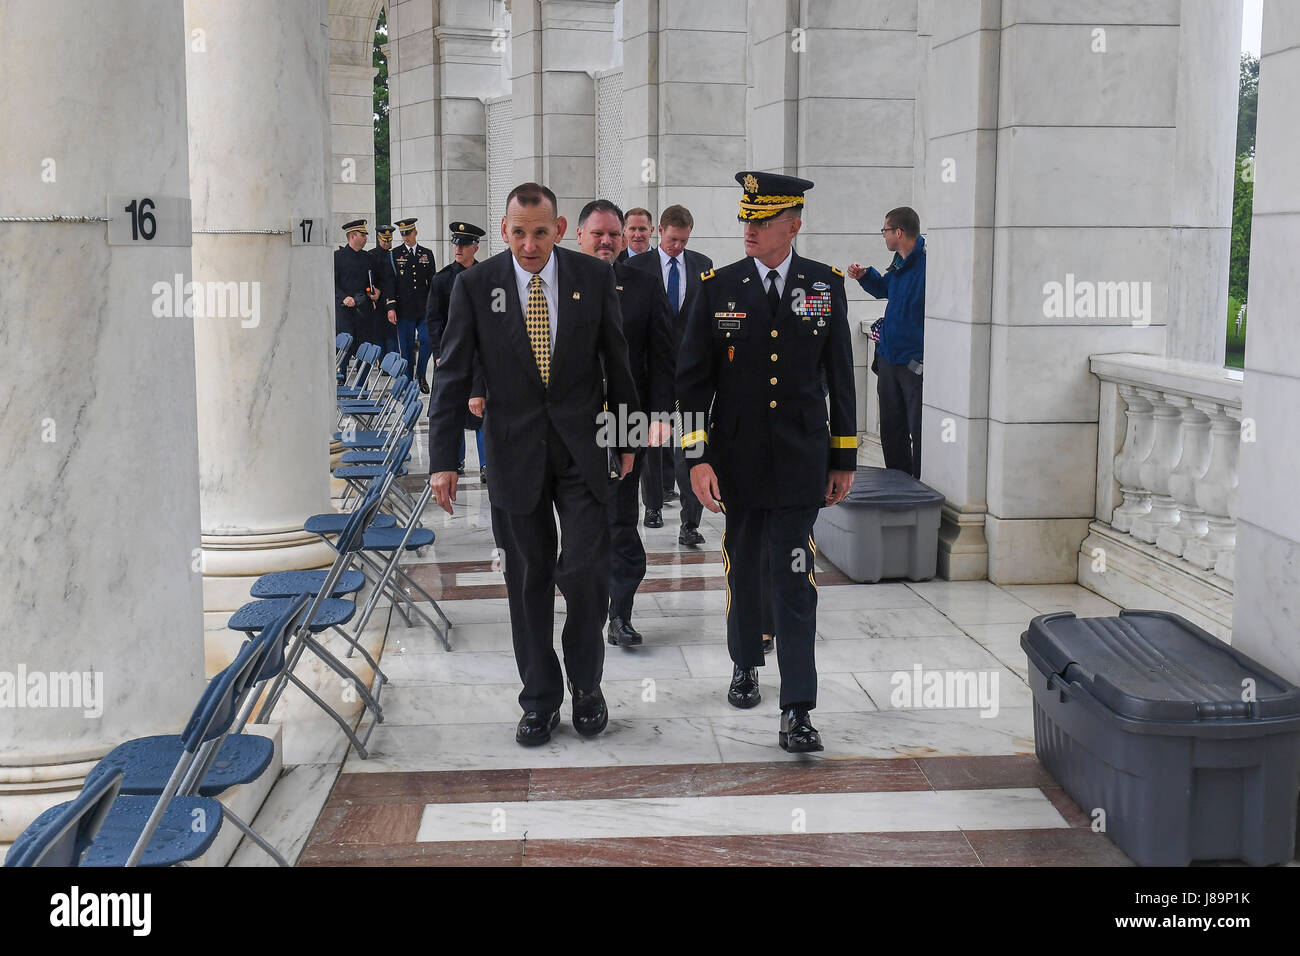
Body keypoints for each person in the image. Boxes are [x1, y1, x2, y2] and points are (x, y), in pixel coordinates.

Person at [428, 183, 640, 747]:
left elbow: (616, 361)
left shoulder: (593, 279)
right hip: (514, 453)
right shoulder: (477, 286)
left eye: (540, 232)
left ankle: (588, 688)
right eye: (518, 232)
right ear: (504, 230)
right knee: (528, 580)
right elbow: (450, 374)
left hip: (583, 449)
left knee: (589, 574)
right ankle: (540, 700)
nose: (528, 245)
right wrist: (444, 459)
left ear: (560, 229)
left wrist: (628, 435)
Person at [678, 171, 857, 753]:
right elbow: (692, 384)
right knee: (743, 562)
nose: (749, 229)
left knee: (795, 575)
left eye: (762, 220)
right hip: (736, 458)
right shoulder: (717, 286)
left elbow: (841, 379)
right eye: (746, 219)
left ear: (793, 224)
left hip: (802, 460)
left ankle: (799, 707)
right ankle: (745, 660)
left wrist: (843, 458)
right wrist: (697, 458)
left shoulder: (824, 285)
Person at [575, 199, 675, 649]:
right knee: (577, 525)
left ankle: (620, 613)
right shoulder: (554, 284)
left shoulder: (643, 284)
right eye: (598, 233)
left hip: (624, 424)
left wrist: (655, 420)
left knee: (621, 521)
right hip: (569, 426)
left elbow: (661, 359)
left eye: (614, 234)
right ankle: (582, 608)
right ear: (577, 235)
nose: (607, 241)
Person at [625, 204, 713, 546]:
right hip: (649, 375)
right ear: (660, 231)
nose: (678, 246)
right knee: (651, 443)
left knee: (692, 449)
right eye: (674, 239)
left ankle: (690, 523)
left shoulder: (702, 265)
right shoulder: (635, 266)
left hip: (691, 375)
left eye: (684, 241)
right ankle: (653, 505)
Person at [848, 207, 926, 478]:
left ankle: (918, 486)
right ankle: (898, 480)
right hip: (889, 358)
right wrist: (865, 276)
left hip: (915, 363)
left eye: (885, 231)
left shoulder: (929, 266)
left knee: (919, 429)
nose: (884, 236)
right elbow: (883, 289)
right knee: (892, 429)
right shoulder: (899, 264)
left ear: (899, 233)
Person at [425, 222, 488, 479]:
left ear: (475, 247)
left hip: (480, 356)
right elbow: (434, 319)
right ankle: (456, 460)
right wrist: (439, 352)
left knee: (482, 410)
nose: (458, 249)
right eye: (455, 244)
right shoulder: (443, 279)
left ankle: (487, 464)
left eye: (463, 244)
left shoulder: (486, 276)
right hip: (451, 355)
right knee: (452, 408)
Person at [386, 218, 437, 393]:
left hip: (423, 308)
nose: (405, 237)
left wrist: (435, 306)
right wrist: (390, 307)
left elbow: (432, 282)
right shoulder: (394, 254)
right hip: (404, 309)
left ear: (415, 232)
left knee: (427, 340)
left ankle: (421, 375)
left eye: (408, 233)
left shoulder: (426, 254)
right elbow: (390, 282)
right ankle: (407, 382)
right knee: (406, 348)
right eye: (402, 234)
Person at [333, 219, 380, 363]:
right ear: (353, 236)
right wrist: (344, 298)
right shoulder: (337, 257)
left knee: (365, 350)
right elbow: (331, 283)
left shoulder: (368, 258)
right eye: (363, 235)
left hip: (363, 311)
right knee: (343, 350)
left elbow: (374, 282)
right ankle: (341, 379)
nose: (366, 238)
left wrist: (376, 292)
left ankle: (362, 384)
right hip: (345, 311)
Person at [369, 224, 400, 355]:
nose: (387, 243)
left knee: (391, 334)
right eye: (384, 239)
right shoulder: (371, 255)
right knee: (378, 333)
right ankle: (381, 362)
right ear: (378, 238)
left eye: (389, 240)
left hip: (391, 297)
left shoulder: (394, 255)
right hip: (377, 300)